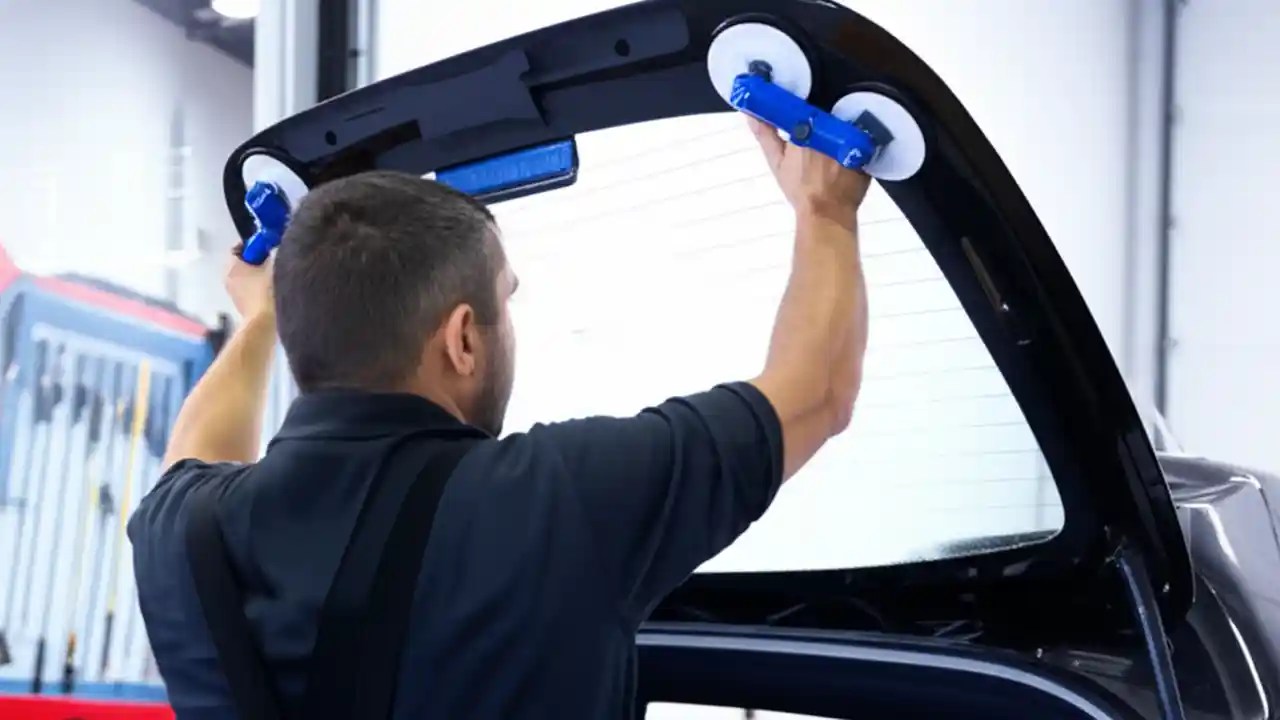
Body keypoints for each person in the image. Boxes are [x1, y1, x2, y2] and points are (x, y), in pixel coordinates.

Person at [128, 118, 872, 719]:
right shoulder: (559, 500)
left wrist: (262, 320)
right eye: (504, 301)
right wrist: (826, 209)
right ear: (461, 339)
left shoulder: (182, 535)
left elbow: (195, 454)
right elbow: (819, 390)